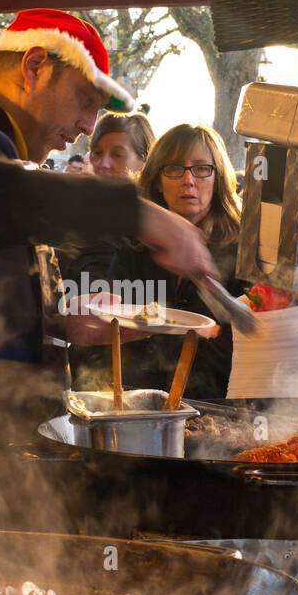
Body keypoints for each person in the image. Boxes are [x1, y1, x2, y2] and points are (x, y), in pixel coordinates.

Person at [0, 9, 214, 418]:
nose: (89, 126)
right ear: (34, 66)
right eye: (84, 101)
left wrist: (63, 317)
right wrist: (141, 214)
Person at [77, 123, 243, 400]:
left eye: (202, 169)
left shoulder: (242, 252)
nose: (188, 180)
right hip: (137, 399)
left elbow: (243, 346)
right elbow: (113, 327)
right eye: (174, 169)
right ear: (157, 180)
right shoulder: (135, 248)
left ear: (219, 178)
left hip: (212, 409)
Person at [61, 110, 157, 287]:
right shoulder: (77, 219)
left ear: (146, 160)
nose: (103, 164)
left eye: (117, 155)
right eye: (97, 153)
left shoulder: (156, 234)